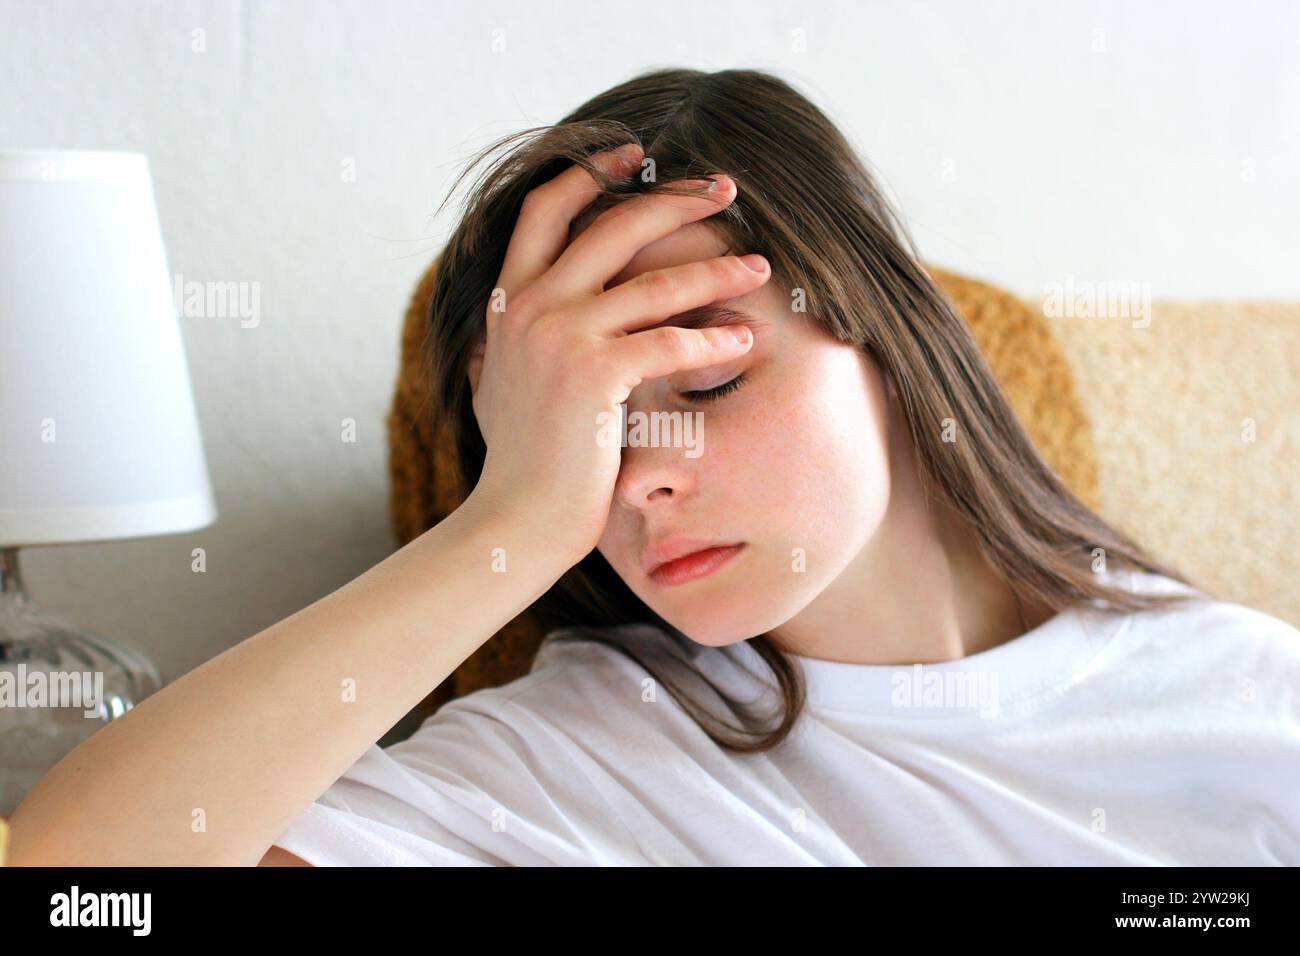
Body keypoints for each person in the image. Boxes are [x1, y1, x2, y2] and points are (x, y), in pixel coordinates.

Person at [7, 68, 1297, 867]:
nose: (638, 484)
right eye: (575, 440)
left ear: (883, 340)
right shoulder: (572, 759)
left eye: (703, 388)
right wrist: (508, 525)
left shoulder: (1242, 701)